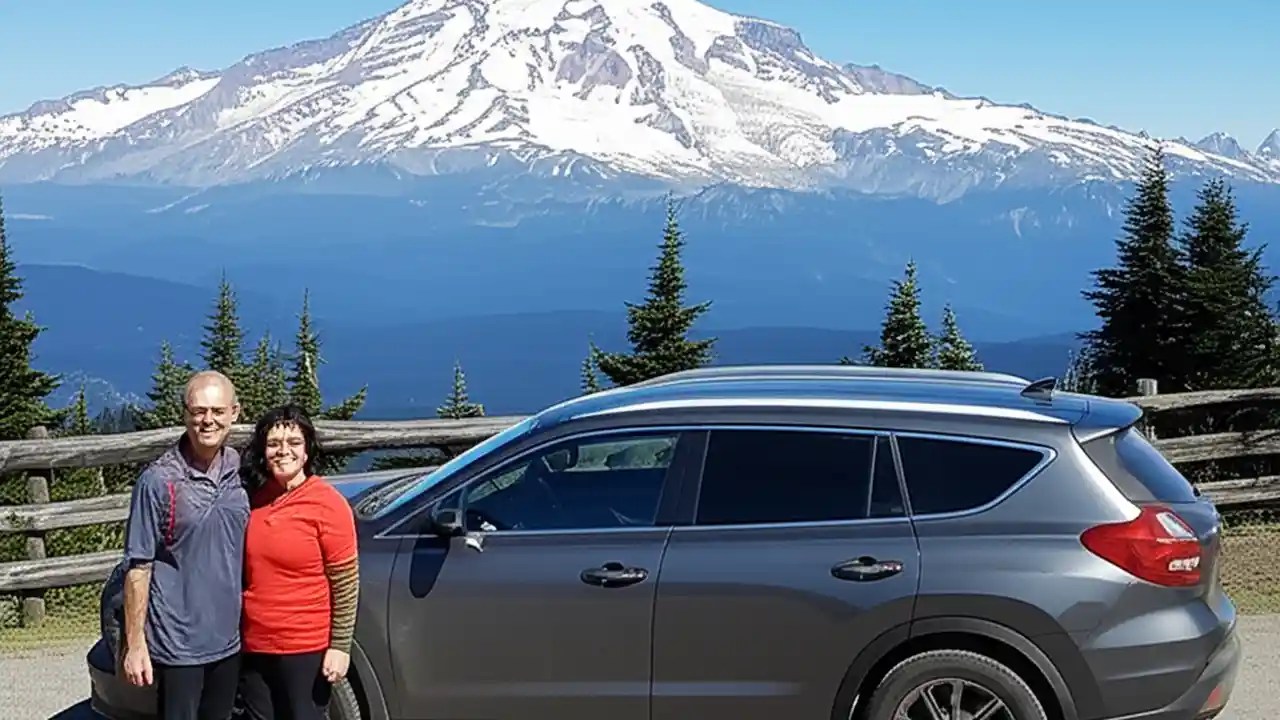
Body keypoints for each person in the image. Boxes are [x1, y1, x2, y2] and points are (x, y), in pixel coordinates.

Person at [120, 370, 248, 720]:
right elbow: (138, 567)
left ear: (234, 413)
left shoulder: (241, 469)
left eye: (217, 411)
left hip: (228, 641)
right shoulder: (158, 480)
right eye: (198, 411)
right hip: (177, 646)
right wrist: (135, 645)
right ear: (185, 414)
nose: (208, 420)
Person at [238, 403, 360, 720]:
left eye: (294, 443)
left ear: (307, 451)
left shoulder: (328, 504)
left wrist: (340, 647)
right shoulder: (255, 499)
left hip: (305, 647)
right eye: (274, 444)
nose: (283, 452)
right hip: (254, 645)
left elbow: (346, 584)